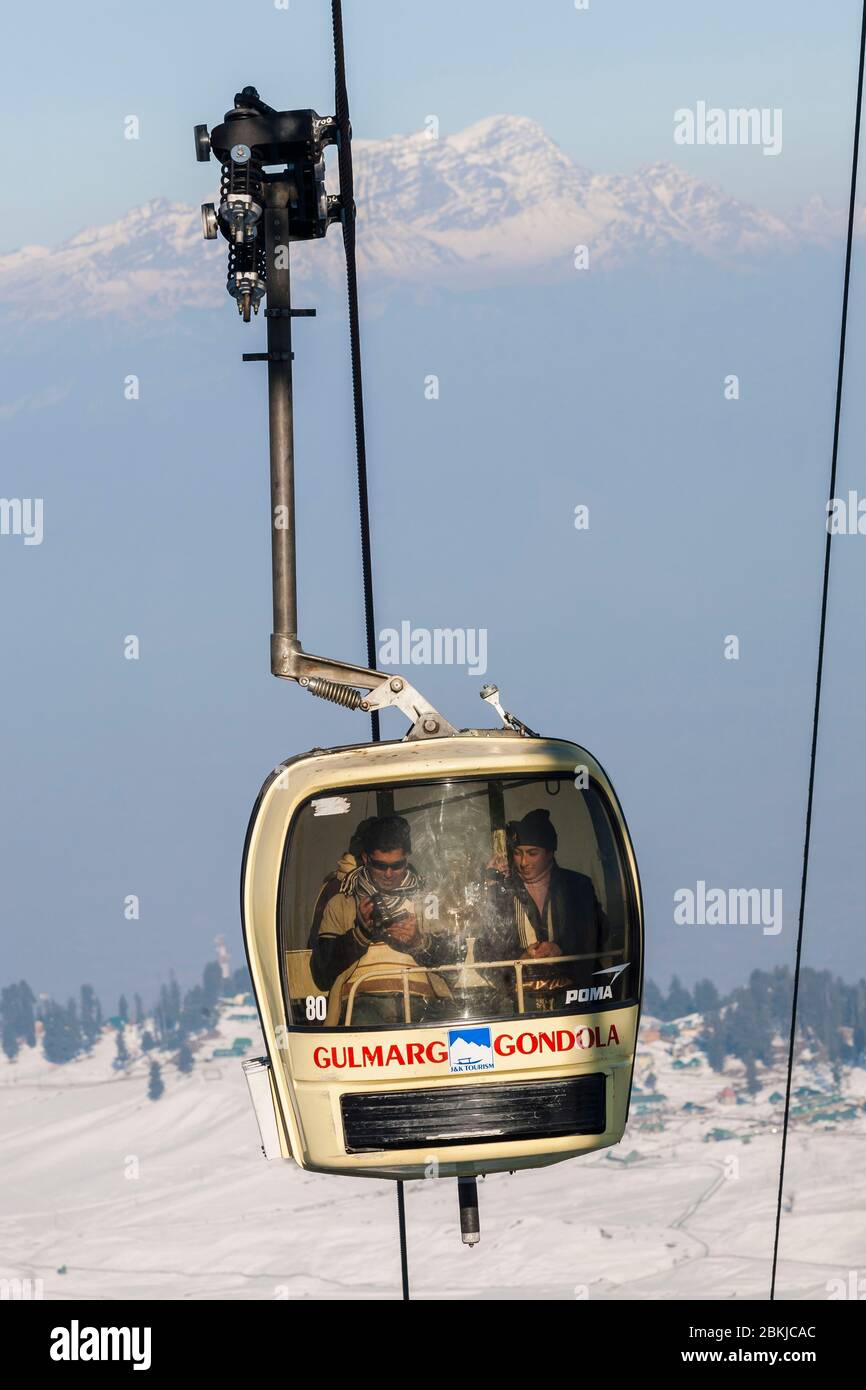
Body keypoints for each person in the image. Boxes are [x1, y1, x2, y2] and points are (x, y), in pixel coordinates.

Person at [475, 808, 608, 992]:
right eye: (518, 853)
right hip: (521, 997)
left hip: (576, 994)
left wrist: (561, 950)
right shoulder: (501, 892)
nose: (523, 862)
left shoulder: (577, 886)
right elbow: (483, 951)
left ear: (550, 853)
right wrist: (520, 957)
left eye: (532, 853)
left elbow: (601, 933)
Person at [310, 814, 427, 993]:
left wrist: (419, 942)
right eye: (380, 865)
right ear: (365, 859)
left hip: (422, 1006)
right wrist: (360, 934)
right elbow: (321, 976)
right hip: (358, 1011)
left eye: (396, 866)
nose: (388, 873)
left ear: (407, 858)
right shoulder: (341, 904)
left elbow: (452, 965)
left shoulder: (427, 901)